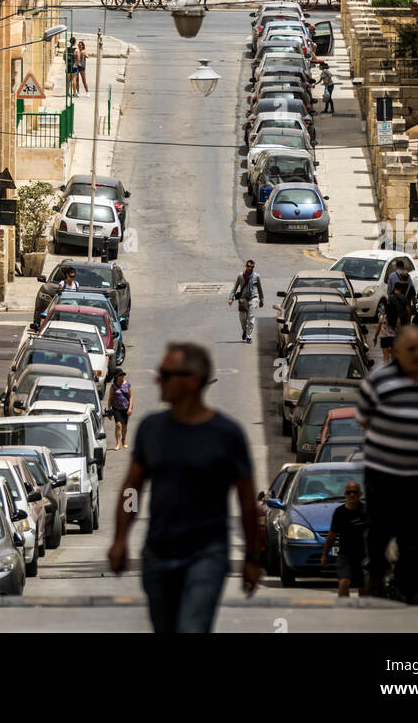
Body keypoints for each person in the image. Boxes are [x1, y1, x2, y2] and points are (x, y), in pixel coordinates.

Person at [108, 342, 262, 634]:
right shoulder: (151, 429)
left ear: (192, 380)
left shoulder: (227, 435)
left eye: (165, 374)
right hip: (158, 553)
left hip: (207, 555)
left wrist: (252, 558)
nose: (157, 379)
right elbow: (132, 488)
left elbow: (246, 502)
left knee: (192, 627)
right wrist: (120, 539)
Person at [356, 325, 418, 605]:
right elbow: (364, 419)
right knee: (380, 529)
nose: (417, 354)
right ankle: (377, 575)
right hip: (383, 473)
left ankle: (410, 585)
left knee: (415, 532)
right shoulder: (379, 381)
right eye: (411, 349)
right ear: (398, 351)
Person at [321, 481, 367, 599]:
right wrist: (325, 554)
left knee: (364, 588)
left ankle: (364, 612)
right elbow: (332, 535)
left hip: (363, 555)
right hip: (345, 555)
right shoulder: (339, 512)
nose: (352, 495)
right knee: (344, 583)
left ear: (360, 494)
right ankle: (344, 608)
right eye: (349, 492)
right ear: (345, 494)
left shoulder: (365, 511)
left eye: (355, 492)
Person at [228, 261, 265, 343]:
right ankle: (244, 330)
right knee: (242, 318)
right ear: (246, 266)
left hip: (253, 299)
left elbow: (260, 289)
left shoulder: (257, 276)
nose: (250, 268)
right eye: (248, 266)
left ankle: (249, 336)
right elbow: (235, 288)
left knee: (251, 319)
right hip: (243, 299)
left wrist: (261, 300)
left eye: (252, 267)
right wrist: (231, 298)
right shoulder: (241, 276)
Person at [106, 368, 133, 451]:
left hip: (126, 408)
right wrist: (109, 411)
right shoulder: (113, 386)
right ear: (116, 377)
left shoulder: (127, 384)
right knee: (118, 425)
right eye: (120, 376)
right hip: (116, 408)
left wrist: (130, 408)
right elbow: (110, 399)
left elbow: (131, 397)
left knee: (124, 426)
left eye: (122, 375)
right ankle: (117, 443)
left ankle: (123, 440)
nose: (122, 377)